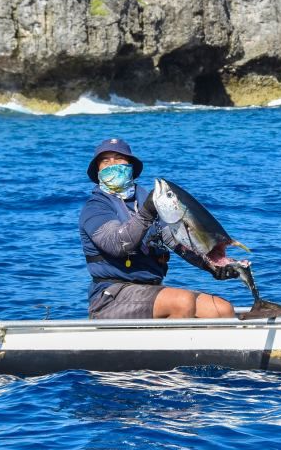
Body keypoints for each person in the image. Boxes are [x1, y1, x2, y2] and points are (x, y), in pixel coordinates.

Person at [79, 137, 241, 319]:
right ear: (98, 169)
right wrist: (147, 212)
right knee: (182, 302)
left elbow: (178, 241)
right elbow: (116, 244)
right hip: (112, 295)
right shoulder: (95, 207)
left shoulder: (150, 199)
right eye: (105, 161)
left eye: (118, 158)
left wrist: (212, 265)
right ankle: (173, 347)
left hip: (152, 289)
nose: (113, 164)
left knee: (222, 310)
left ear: (131, 166)